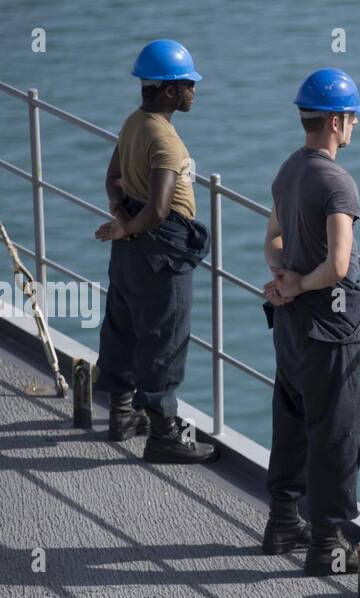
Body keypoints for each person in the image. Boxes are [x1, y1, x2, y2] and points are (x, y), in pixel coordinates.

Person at [261, 68, 360, 574]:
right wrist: (304, 282)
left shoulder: (289, 170)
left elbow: (273, 243)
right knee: (338, 432)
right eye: (351, 117)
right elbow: (337, 264)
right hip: (332, 330)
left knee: (292, 418)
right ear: (336, 121)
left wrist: (285, 280)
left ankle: (284, 519)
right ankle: (327, 542)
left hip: (291, 325)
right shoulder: (337, 183)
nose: (353, 125)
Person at [94, 39, 216, 464]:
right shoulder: (165, 142)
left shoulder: (134, 123)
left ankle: (122, 415)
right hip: (161, 250)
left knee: (124, 324)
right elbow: (161, 208)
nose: (194, 91)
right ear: (169, 90)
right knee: (166, 334)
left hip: (130, 250)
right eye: (188, 85)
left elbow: (112, 177)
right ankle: (163, 434)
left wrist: (119, 213)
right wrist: (129, 224)